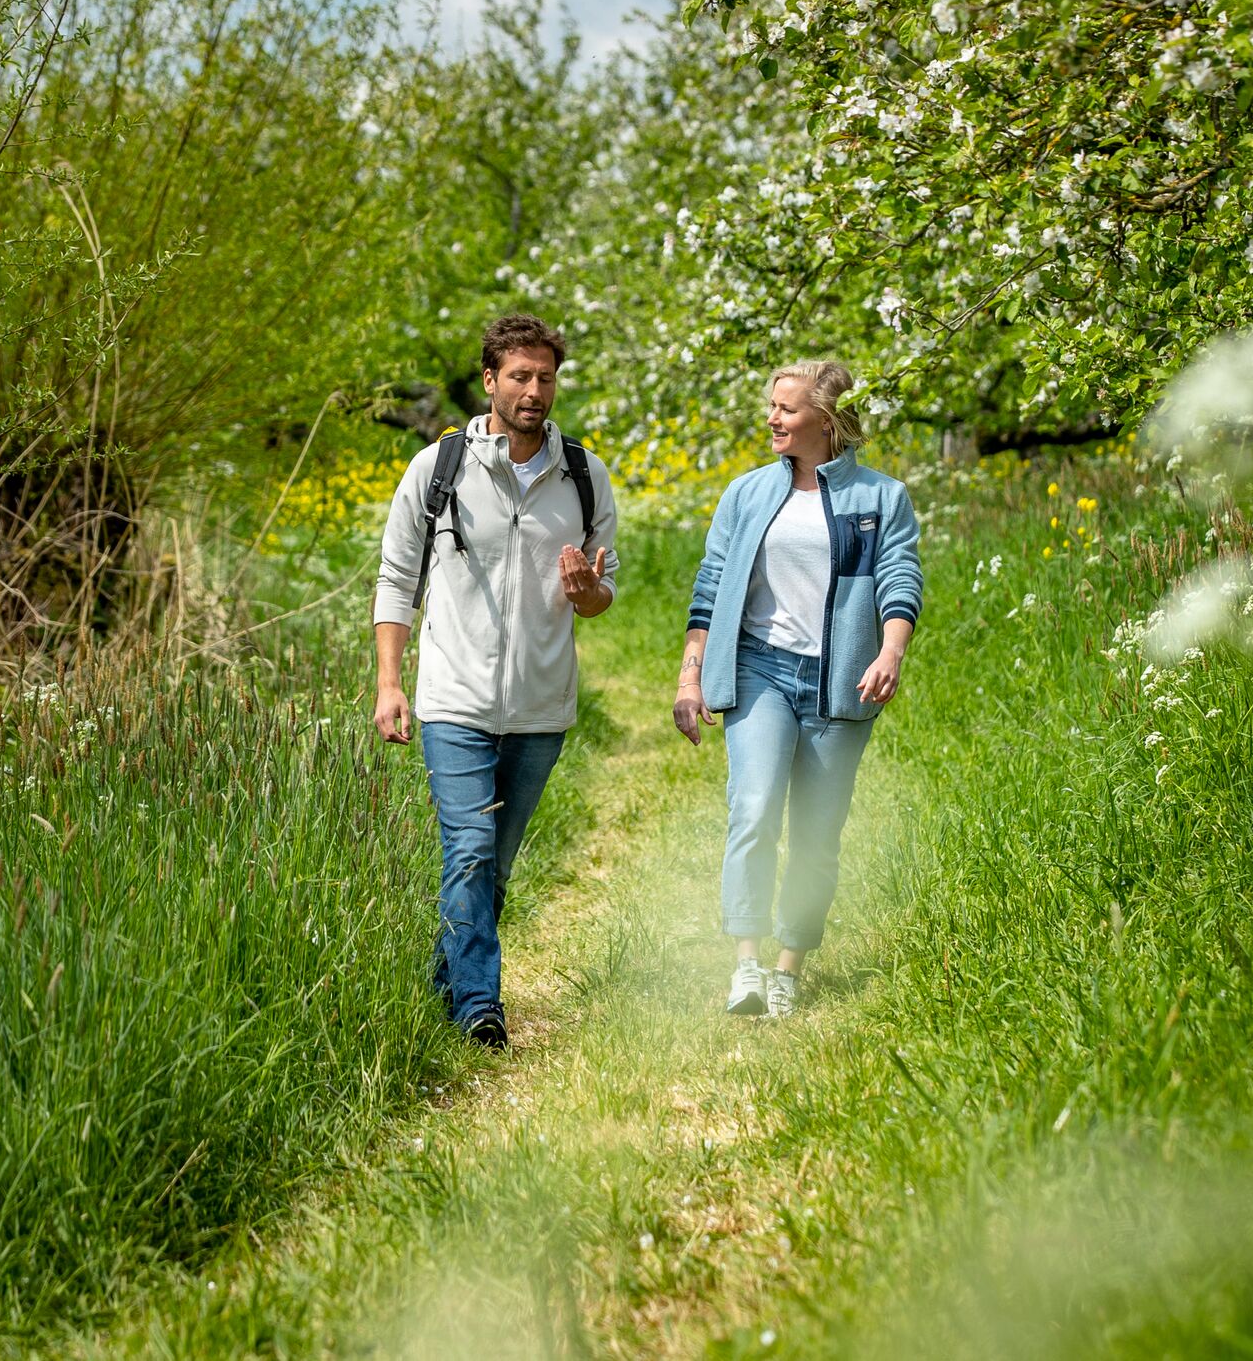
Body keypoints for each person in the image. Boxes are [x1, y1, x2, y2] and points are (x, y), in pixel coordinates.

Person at [374, 314, 619, 1049]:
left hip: (541, 706)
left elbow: (608, 591)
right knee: (471, 848)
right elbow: (395, 581)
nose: (534, 390)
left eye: (545, 376)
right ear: (490, 380)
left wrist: (586, 595)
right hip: (454, 698)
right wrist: (390, 684)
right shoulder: (438, 468)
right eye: (519, 375)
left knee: (495, 865)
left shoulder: (581, 474)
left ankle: (447, 985)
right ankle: (482, 1008)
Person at [672, 360, 921, 1018]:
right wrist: (690, 675)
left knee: (816, 832)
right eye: (772, 405)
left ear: (827, 420)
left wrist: (891, 650)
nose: (773, 417)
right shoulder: (747, 493)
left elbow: (901, 581)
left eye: (787, 408)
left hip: (841, 684)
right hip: (760, 668)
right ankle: (746, 964)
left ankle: (789, 965)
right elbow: (711, 586)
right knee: (753, 806)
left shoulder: (881, 499)